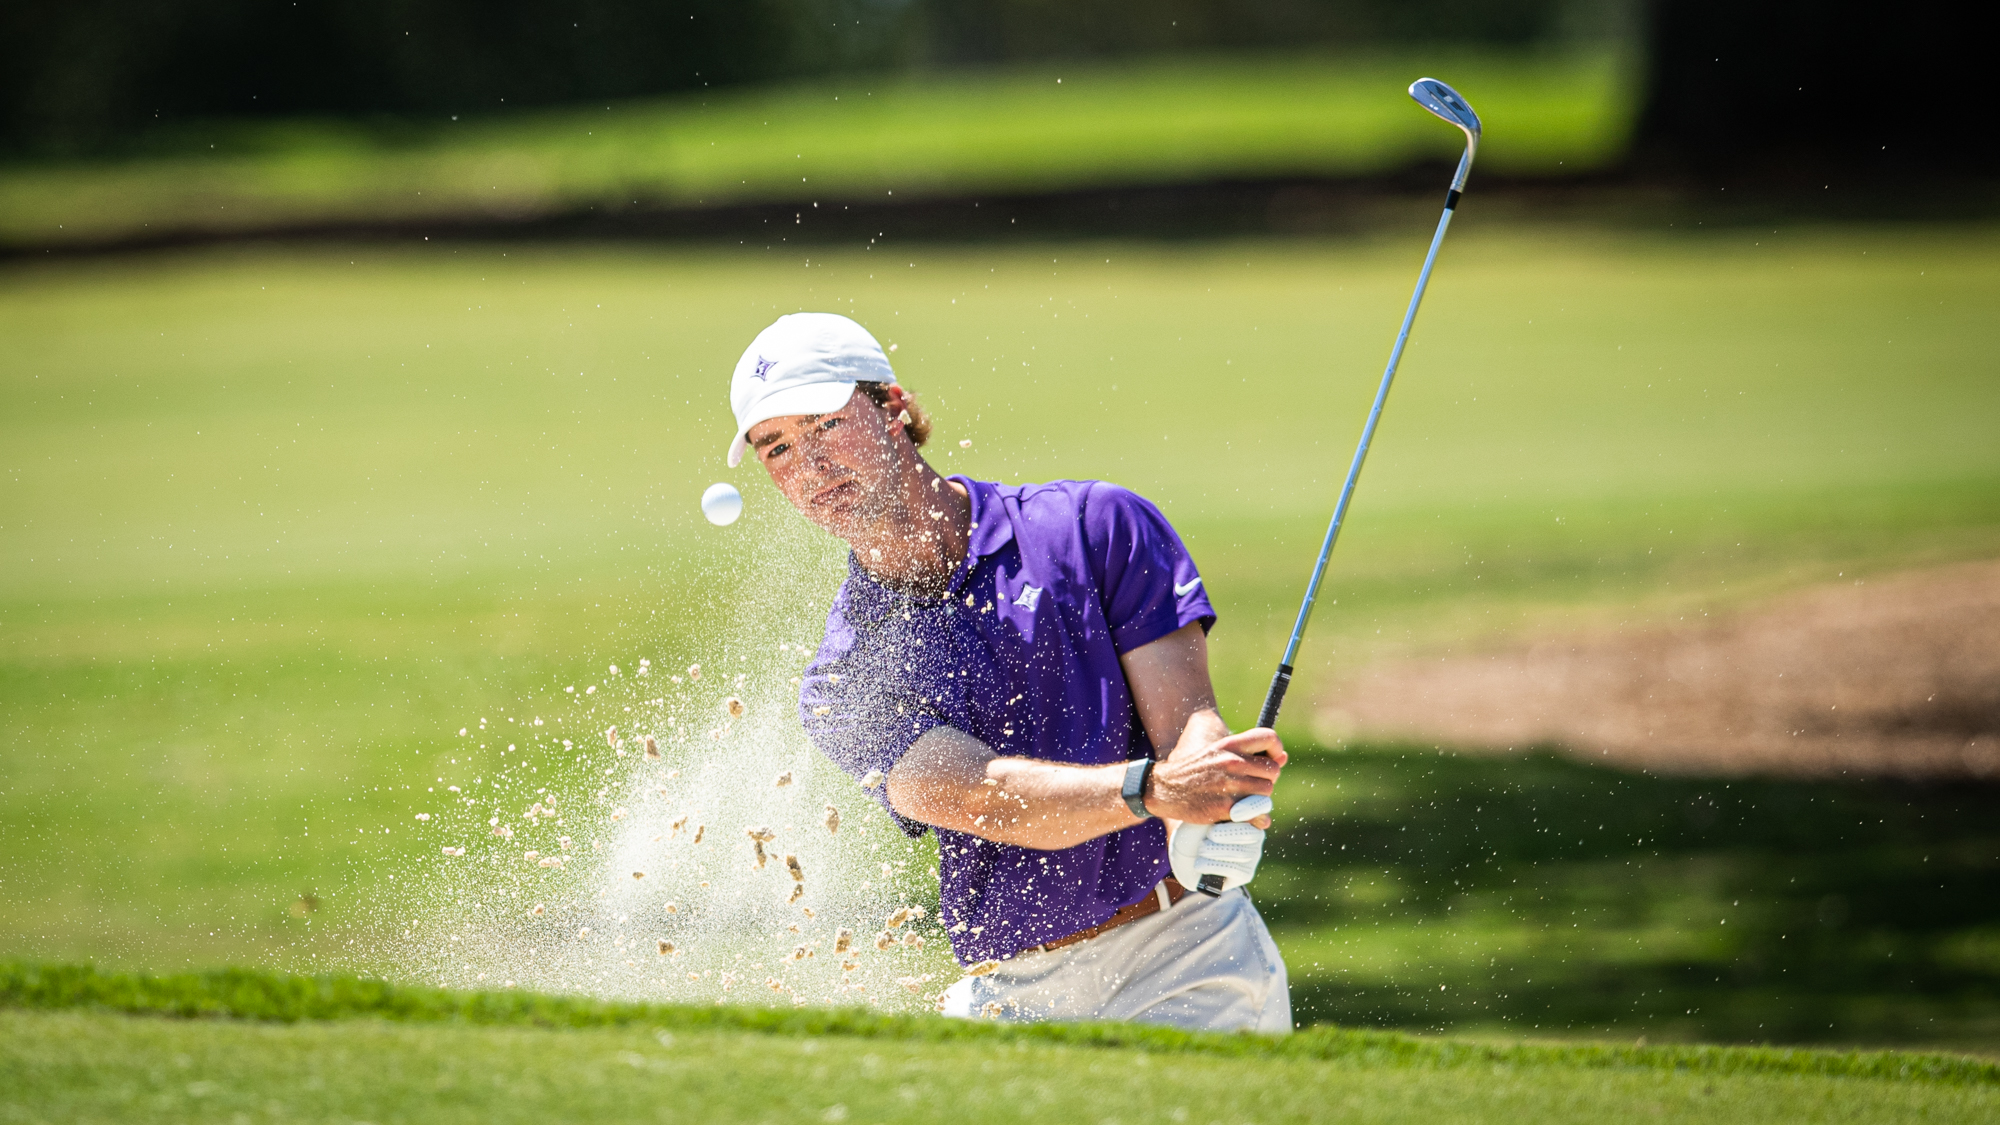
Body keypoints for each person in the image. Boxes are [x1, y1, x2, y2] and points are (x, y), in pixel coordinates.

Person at [727, 312, 1290, 1033]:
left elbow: (1190, 733)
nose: (809, 465)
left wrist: (1217, 791)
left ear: (893, 406)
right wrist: (1154, 790)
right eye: (776, 446)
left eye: (827, 425)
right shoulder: (845, 678)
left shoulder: (1094, 527)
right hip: (1016, 990)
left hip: (1185, 955)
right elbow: (986, 799)